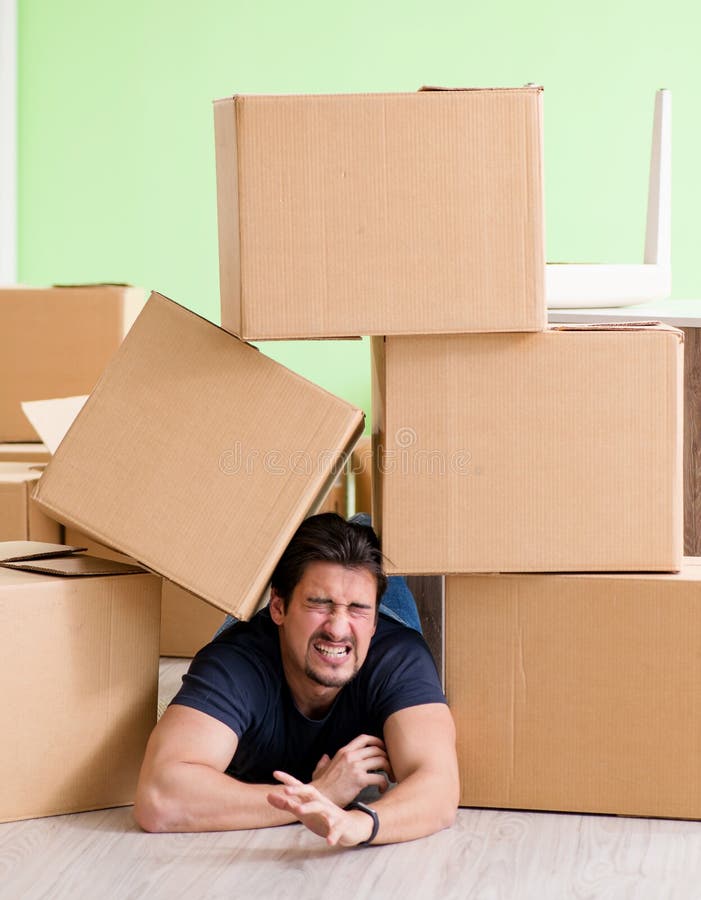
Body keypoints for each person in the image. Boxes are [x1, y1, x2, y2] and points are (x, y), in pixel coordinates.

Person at [134, 513, 459, 847]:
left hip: (386, 625)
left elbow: (440, 787)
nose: (337, 627)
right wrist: (315, 795)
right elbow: (159, 797)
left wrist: (356, 824)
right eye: (319, 605)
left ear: (374, 622)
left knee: (373, 568)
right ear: (278, 607)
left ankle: (362, 534)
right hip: (267, 640)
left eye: (359, 610)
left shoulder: (398, 656)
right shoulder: (236, 663)